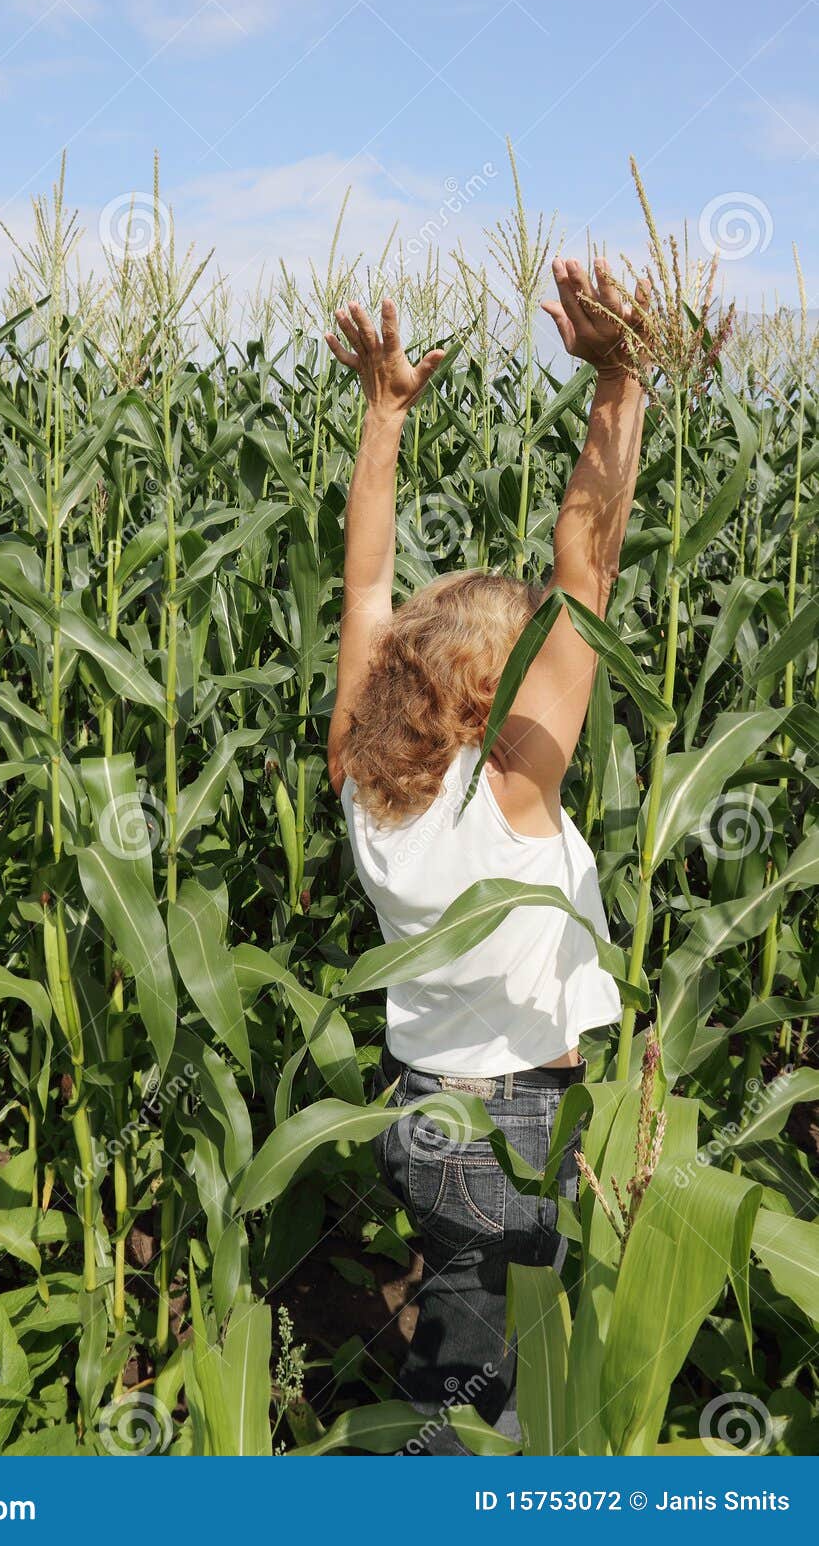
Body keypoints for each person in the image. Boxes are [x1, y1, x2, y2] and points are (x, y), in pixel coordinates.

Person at [325, 257, 649, 1454]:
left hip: (420, 1113)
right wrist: (617, 379)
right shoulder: (510, 791)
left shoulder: (361, 766)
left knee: (460, 1318)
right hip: (512, 1128)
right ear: (492, 702)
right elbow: (588, 568)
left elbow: (365, 580)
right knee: (481, 1392)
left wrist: (383, 413)